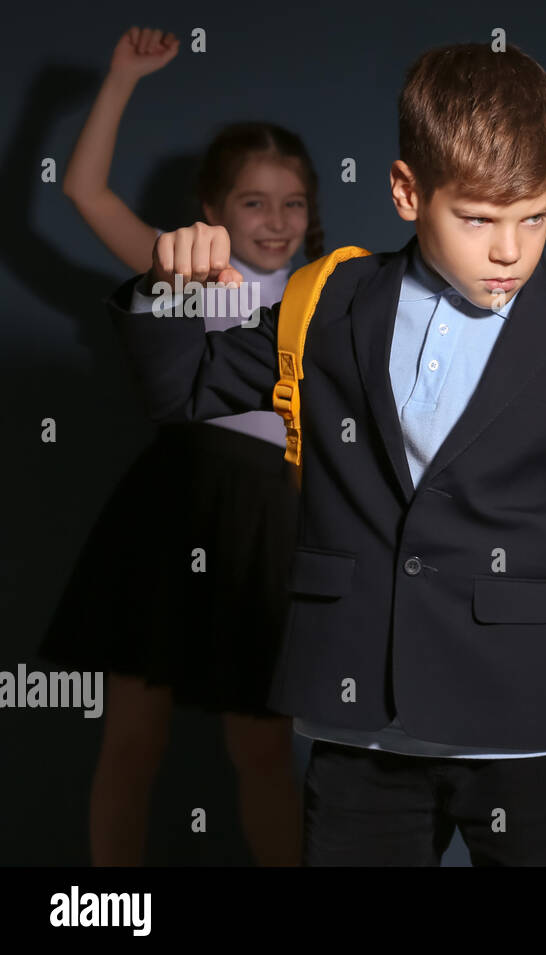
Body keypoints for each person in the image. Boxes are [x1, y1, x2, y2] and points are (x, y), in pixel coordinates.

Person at [104, 41, 546, 866]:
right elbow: (180, 392)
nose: (510, 251)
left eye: (534, 218)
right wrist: (165, 287)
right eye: (478, 219)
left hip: (525, 731)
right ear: (405, 191)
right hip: (360, 729)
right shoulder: (326, 301)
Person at [40, 26, 324, 866]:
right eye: (252, 201)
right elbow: (84, 193)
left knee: (263, 753)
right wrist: (123, 77)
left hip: (274, 524)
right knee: (131, 743)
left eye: (293, 202)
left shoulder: (330, 293)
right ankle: (108, 909)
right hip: (173, 512)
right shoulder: (180, 268)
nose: (275, 221)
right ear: (211, 212)